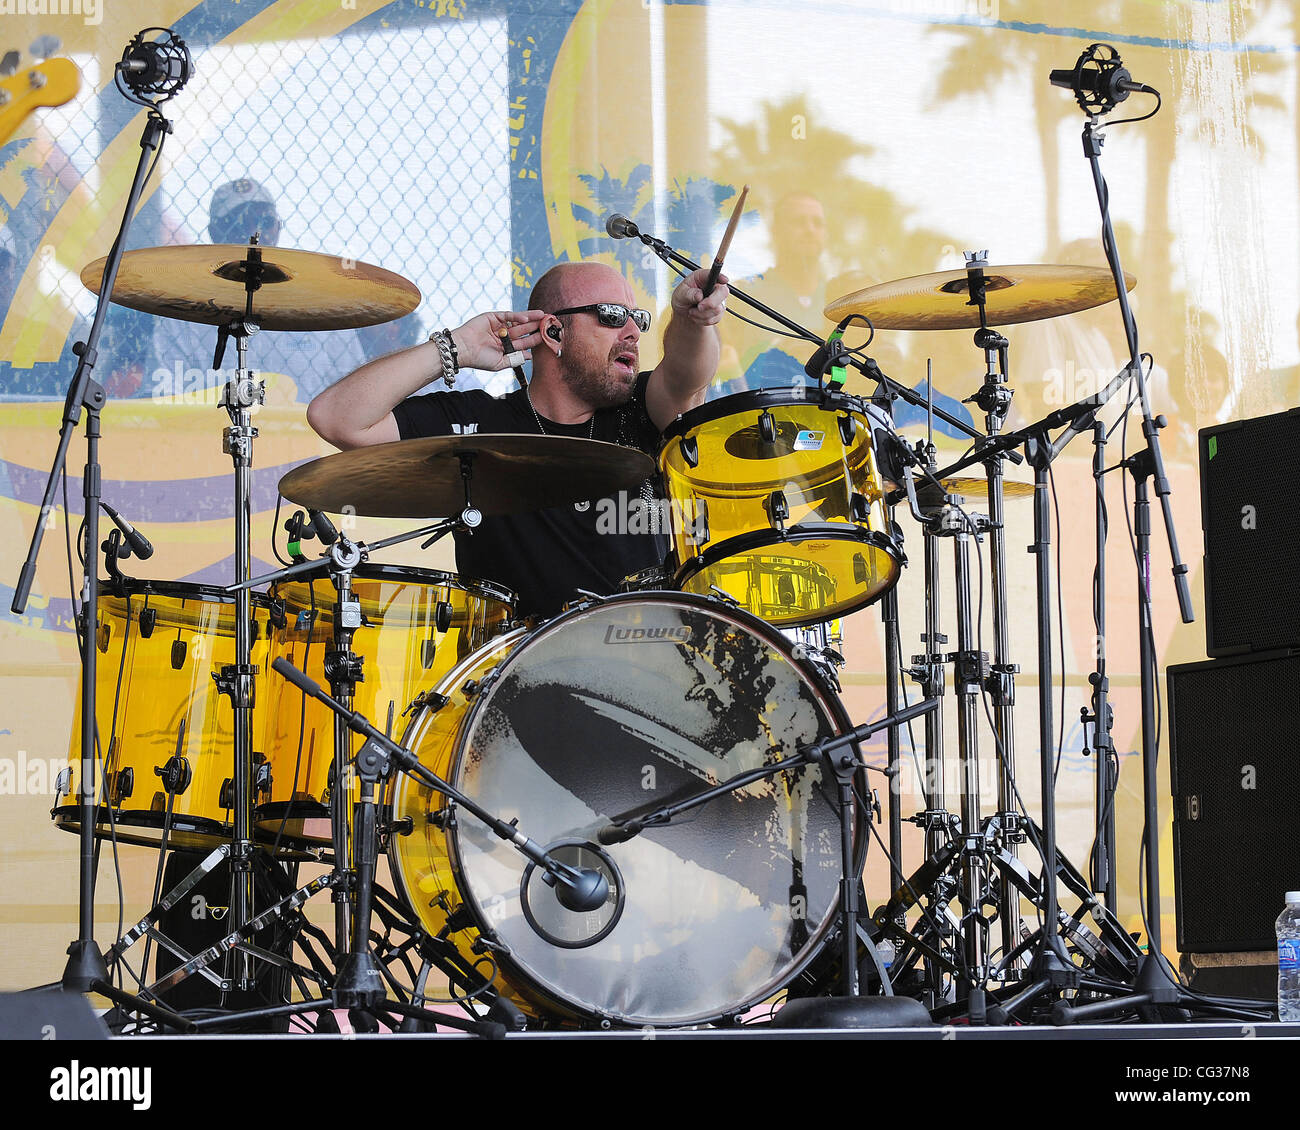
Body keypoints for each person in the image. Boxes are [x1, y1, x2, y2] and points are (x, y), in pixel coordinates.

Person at [307, 260, 728, 617]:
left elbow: (687, 375)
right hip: (512, 680)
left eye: (638, 319)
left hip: (644, 657)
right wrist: (454, 348)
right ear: (554, 332)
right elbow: (336, 419)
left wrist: (694, 321)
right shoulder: (477, 421)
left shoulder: (641, 410)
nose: (633, 332)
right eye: (612, 316)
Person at [163, 179, 368, 402]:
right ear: (214, 232)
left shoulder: (321, 308)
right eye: (238, 222)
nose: (255, 233)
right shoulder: (182, 316)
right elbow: (164, 401)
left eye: (266, 222)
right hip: (210, 435)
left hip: (304, 435)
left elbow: (354, 398)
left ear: (278, 228)